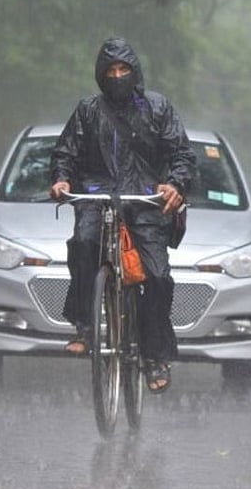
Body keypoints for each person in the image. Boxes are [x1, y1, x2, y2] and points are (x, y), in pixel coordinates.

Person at [49, 37, 196, 394]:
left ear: (135, 71)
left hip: (145, 201)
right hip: (96, 196)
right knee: (83, 243)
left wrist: (174, 184)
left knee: (158, 277)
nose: (117, 76)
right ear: (101, 75)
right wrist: (61, 179)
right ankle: (85, 326)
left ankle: (154, 356)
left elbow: (181, 154)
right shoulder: (88, 110)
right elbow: (65, 152)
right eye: (111, 70)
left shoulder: (157, 107)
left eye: (123, 69)